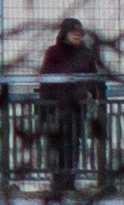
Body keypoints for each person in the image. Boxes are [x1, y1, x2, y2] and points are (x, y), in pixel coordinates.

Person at [35, 21, 103, 187]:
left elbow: (93, 78)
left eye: (80, 33)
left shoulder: (86, 54)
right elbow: (46, 80)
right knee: (57, 142)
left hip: (77, 105)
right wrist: (44, 105)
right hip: (57, 105)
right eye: (74, 32)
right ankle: (58, 179)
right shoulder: (54, 52)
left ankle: (69, 179)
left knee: (74, 142)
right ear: (65, 34)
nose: (77, 36)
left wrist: (98, 97)